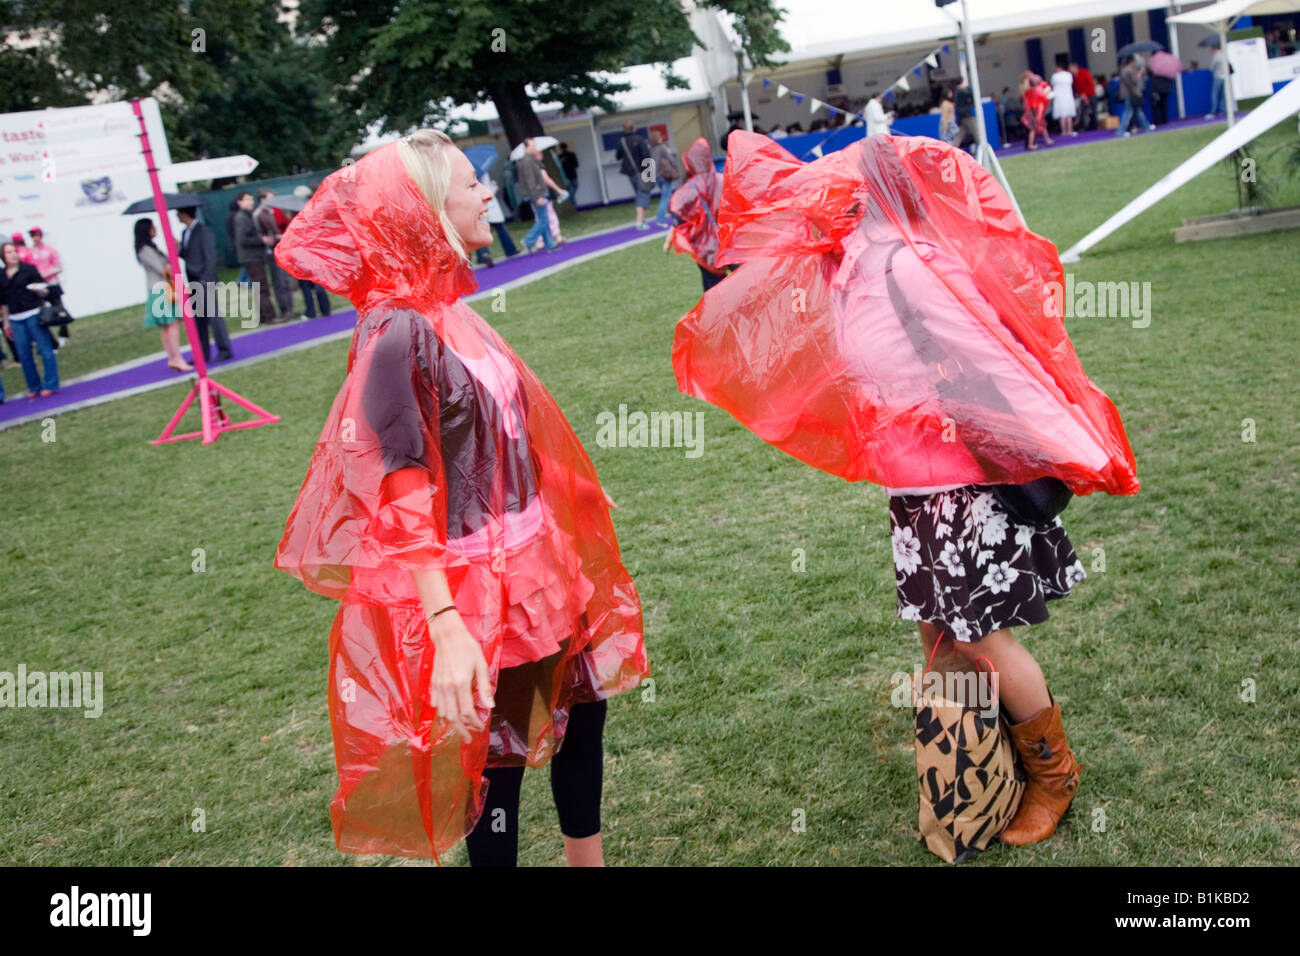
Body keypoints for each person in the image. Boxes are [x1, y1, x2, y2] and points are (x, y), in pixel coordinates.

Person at [672, 130, 1140, 849]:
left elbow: (998, 361)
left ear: (875, 193)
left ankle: (1055, 775)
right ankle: (981, 769)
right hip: (916, 489)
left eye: (844, 187)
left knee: (981, 637)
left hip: (963, 489)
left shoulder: (913, 265)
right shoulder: (853, 263)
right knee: (939, 634)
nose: (828, 196)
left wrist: (1075, 443)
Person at [272, 129, 648, 866]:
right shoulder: (395, 332)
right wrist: (444, 621)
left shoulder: (452, 310)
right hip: (474, 584)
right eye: (470, 182)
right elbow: (400, 481)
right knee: (494, 768)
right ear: (422, 208)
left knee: (581, 714)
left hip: (536, 560)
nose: (487, 192)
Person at [662, 137, 727, 291]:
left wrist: (668, 242)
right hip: (730, 240)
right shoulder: (721, 180)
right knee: (745, 279)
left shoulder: (689, 189)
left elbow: (679, 219)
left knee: (714, 288)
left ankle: (720, 312)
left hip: (707, 247)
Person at [1, 240, 58, 398]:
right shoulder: (1, 275)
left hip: (33, 314)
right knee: (24, 355)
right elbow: (3, 302)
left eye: (14, 251)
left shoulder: (29, 270)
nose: (12, 255)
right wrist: (6, 322)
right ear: (3, 256)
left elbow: (44, 290)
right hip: (15, 318)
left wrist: (41, 290)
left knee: (44, 349)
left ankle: (50, 384)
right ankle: (33, 386)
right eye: (8, 252)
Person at [176, 206, 234, 362]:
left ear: (184, 214)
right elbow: (189, 255)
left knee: (213, 317)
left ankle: (224, 349)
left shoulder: (203, 231)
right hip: (193, 281)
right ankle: (202, 354)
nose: (177, 216)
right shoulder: (185, 233)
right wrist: (179, 249)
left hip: (204, 280)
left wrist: (206, 279)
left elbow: (210, 257)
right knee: (199, 319)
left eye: (179, 213)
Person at [134, 219, 193, 372]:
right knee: (172, 324)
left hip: (161, 289)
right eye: (152, 227)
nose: (155, 229)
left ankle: (173, 358)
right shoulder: (145, 249)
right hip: (161, 290)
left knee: (168, 326)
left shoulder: (149, 248)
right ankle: (176, 358)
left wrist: (174, 249)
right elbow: (162, 268)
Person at [232, 192, 281, 325]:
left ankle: (263, 316)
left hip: (251, 256)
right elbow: (243, 239)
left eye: (251, 199)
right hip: (251, 257)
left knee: (258, 287)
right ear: (239, 202)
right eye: (247, 200)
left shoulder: (245, 216)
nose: (251, 202)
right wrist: (261, 240)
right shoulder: (241, 218)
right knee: (261, 287)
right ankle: (269, 316)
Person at [516, 138, 564, 254]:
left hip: (539, 193)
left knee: (544, 219)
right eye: (532, 145)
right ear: (527, 147)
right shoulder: (527, 161)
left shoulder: (530, 160)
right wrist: (537, 197)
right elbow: (530, 181)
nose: (535, 147)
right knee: (543, 219)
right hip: (537, 194)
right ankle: (528, 240)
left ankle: (549, 245)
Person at [254, 189, 297, 319]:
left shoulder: (274, 211)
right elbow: (261, 234)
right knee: (279, 281)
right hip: (272, 250)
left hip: (281, 247)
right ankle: (285, 309)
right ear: (263, 199)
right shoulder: (259, 214)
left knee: (285, 280)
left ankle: (290, 308)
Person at [27, 228, 70, 347]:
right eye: (32, 236)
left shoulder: (50, 250)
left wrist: (45, 274)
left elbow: (58, 267)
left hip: (52, 284)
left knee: (59, 309)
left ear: (40, 236)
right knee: (41, 313)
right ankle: (51, 341)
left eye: (36, 235)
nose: (35, 238)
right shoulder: (30, 252)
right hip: (40, 286)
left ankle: (64, 334)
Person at [616, 119, 653, 229]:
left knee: (639, 193)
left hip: (630, 172)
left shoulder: (621, 141)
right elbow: (647, 156)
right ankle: (639, 222)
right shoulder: (640, 139)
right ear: (633, 128)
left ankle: (642, 220)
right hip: (641, 171)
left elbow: (618, 156)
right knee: (643, 194)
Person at [649, 130, 680, 229]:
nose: (661, 138)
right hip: (665, 175)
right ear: (657, 139)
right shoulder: (662, 148)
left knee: (668, 197)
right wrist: (676, 167)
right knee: (665, 198)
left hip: (657, 176)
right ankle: (660, 219)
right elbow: (670, 159)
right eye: (660, 137)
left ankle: (675, 217)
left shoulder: (652, 150)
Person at [1117, 56, 1153, 137]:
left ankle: (1146, 126)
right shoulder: (1129, 70)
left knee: (1137, 111)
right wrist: (1139, 75)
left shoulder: (1124, 70)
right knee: (1128, 112)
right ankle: (1121, 131)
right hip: (1131, 94)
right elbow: (1134, 81)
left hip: (1129, 93)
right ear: (1131, 62)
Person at [1020, 71, 1054, 150]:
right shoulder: (1030, 89)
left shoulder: (1032, 89)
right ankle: (1030, 144)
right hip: (1033, 111)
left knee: (1042, 125)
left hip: (1036, 109)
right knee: (1033, 128)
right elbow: (1041, 96)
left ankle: (1047, 140)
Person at [1051, 62, 1077, 136]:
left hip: (1059, 97)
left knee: (1062, 116)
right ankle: (1069, 130)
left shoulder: (1055, 76)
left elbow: (1052, 85)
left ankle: (1064, 131)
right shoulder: (1068, 75)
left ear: (1058, 68)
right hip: (1068, 96)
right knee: (1069, 115)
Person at [1069, 62, 1097, 131]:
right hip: (1081, 96)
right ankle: (1084, 126)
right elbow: (1075, 87)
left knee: (1093, 110)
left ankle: (1095, 125)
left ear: (1075, 67)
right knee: (1082, 112)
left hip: (1090, 94)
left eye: (1070, 68)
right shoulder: (1073, 76)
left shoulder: (1084, 72)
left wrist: (1085, 93)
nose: (1069, 69)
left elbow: (1090, 83)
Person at [953, 80, 979, 154]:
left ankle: (951, 151)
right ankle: (982, 148)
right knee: (977, 134)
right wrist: (969, 88)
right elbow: (971, 94)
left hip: (962, 117)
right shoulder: (961, 92)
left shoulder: (957, 92)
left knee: (960, 135)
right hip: (967, 115)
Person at [1208, 44, 1227, 118]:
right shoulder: (1224, 54)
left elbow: (1211, 67)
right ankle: (1224, 111)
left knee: (1214, 95)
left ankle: (1213, 111)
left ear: (1215, 48)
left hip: (1218, 77)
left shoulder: (1216, 56)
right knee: (1223, 95)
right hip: (1224, 77)